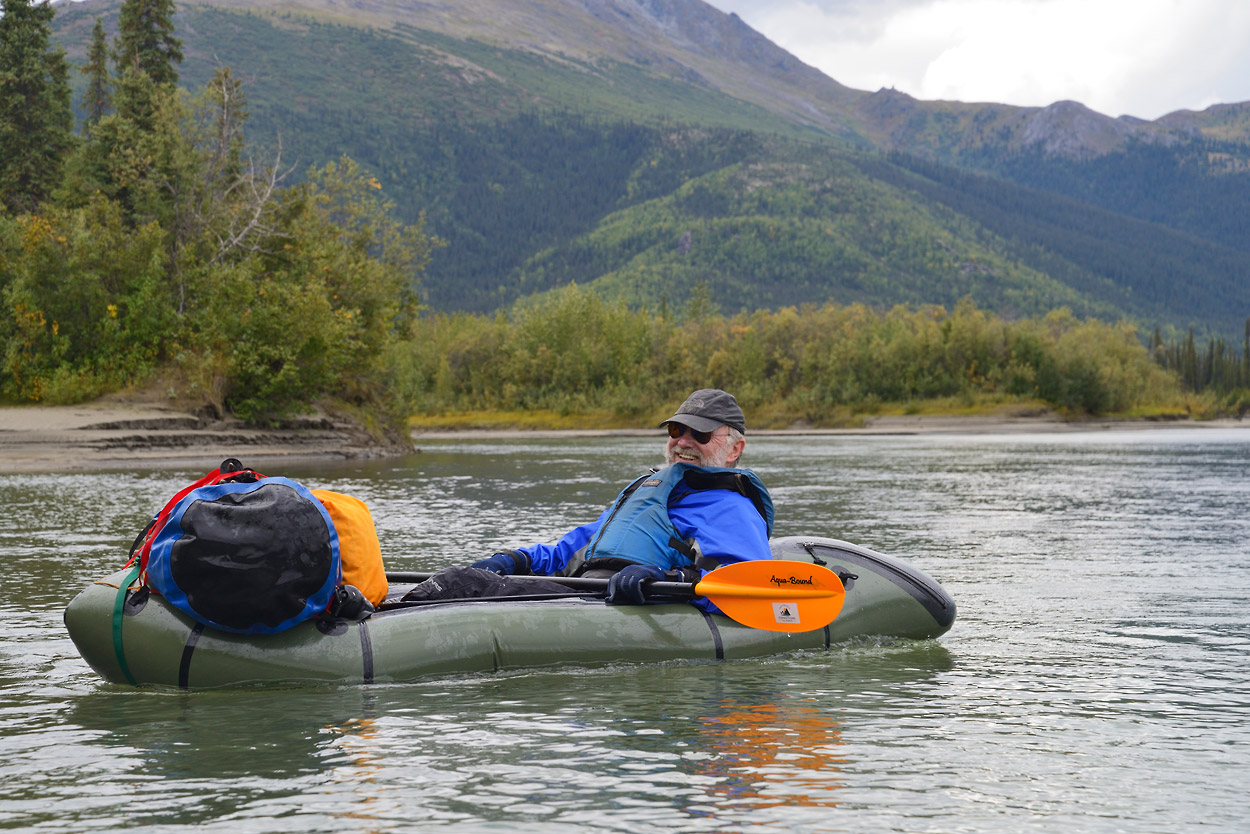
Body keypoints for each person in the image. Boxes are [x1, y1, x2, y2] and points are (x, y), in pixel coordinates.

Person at [471, 388, 775, 611]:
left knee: (472, 589)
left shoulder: (732, 508)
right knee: (466, 582)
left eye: (701, 434)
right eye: (676, 429)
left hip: (630, 604)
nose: (683, 441)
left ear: (735, 450)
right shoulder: (650, 491)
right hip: (588, 592)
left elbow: (750, 585)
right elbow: (576, 547)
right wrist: (517, 559)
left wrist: (669, 579)